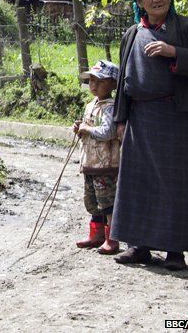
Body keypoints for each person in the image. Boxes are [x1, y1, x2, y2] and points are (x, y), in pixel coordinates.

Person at [110, 0, 188, 272]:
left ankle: (175, 251)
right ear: (140, 2)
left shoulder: (187, 29)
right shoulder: (132, 34)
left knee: (177, 183)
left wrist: (174, 52)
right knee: (138, 182)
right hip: (141, 118)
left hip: (177, 116)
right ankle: (139, 246)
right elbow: (123, 82)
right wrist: (121, 118)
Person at [72, 60, 121, 255]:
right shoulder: (91, 105)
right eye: (91, 80)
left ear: (113, 85)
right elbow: (87, 127)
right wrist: (79, 128)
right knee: (92, 201)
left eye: (100, 81)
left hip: (106, 163)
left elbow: (108, 132)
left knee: (107, 202)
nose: (94, 85)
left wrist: (87, 129)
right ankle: (96, 234)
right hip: (90, 162)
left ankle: (112, 238)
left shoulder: (110, 107)